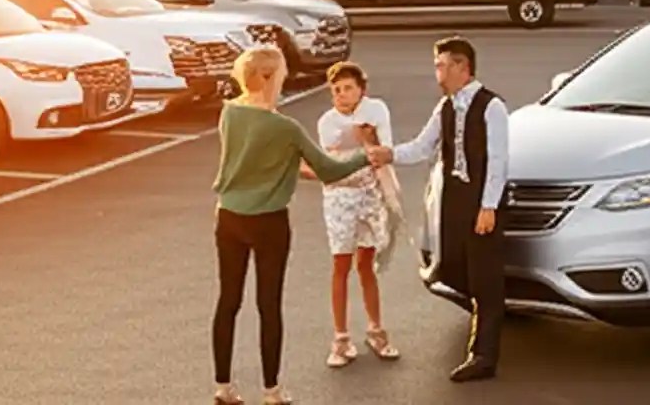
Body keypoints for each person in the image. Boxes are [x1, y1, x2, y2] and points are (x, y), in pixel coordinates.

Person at [211, 45, 373, 405]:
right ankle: (272, 391)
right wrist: (367, 156)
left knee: (228, 301)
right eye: (282, 73)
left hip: (229, 217)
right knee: (268, 305)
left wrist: (292, 168)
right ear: (269, 77)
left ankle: (223, 386)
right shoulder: (285, 128)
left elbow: (254, 162)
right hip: (268, 222)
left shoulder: (230, 114)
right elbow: (330, 169)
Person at [368, 36, 509, 383]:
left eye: (443, 66)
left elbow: (498, 161)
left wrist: (489, 206)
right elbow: (422, 146)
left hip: (480, 199)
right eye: (437, 66)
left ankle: (484, 356)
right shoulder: (445, 107)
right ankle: (488, 320)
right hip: (454, 200)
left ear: (463, 67)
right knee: (453, 268)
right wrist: (389, 154)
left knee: (485, 278)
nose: (438, 73)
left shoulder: (491, 107)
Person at [311, 61, 401, 368]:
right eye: (336, 90)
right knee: (341, 264)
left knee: (366, 264)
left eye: (348, 88)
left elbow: (383, 149)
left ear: (361, 89)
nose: (342, 94)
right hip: (339, 196)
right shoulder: (327, 121)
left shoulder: (377, 109)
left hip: (370, 194)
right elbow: (333, 155)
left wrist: (365, 140)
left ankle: (376, 330)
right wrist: (364, 137)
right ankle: (340, 337)